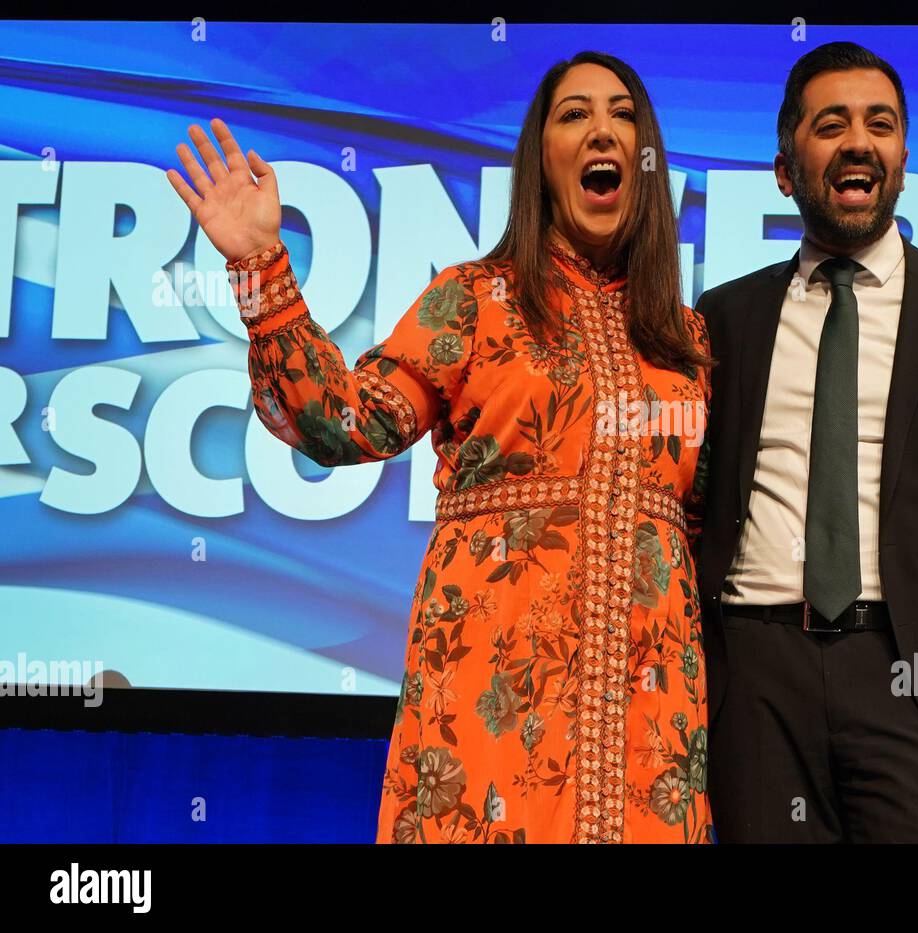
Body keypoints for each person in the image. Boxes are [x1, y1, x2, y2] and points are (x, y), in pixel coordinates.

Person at [166, 50, 714, 844]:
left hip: (649, 731)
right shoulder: (477, 299)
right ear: (541, 161)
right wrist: (260, 264)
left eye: (624, 114)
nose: (604, 129)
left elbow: (706, 533)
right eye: (575, 114)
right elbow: (341, 422)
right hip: (494, 709)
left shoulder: (686, 341)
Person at [694, 41, 918, 843]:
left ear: (901, 158)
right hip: (753, 673)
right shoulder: (721, 319)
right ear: (786, 168)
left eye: (880, 125)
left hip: (913, 674)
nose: (859, 141)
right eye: (831, 125)